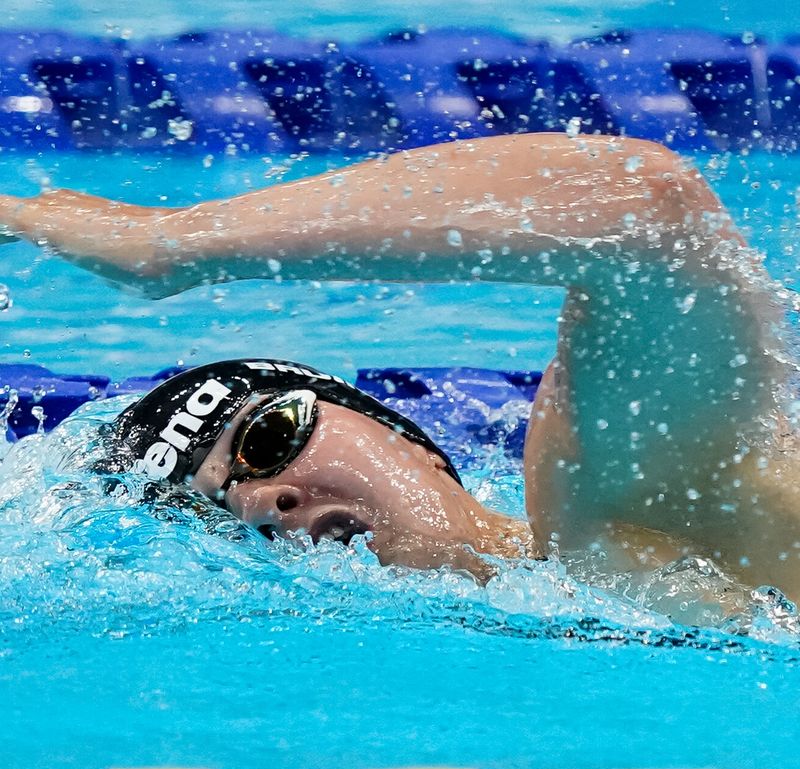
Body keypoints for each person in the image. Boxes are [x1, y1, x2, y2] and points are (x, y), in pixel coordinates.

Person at [0, 133, 796, 598]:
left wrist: (171, 246)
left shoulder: (612, 522)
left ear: (399, 429)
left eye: (271, 436)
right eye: (216, 517)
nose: (261, 503)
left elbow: (647, 208)